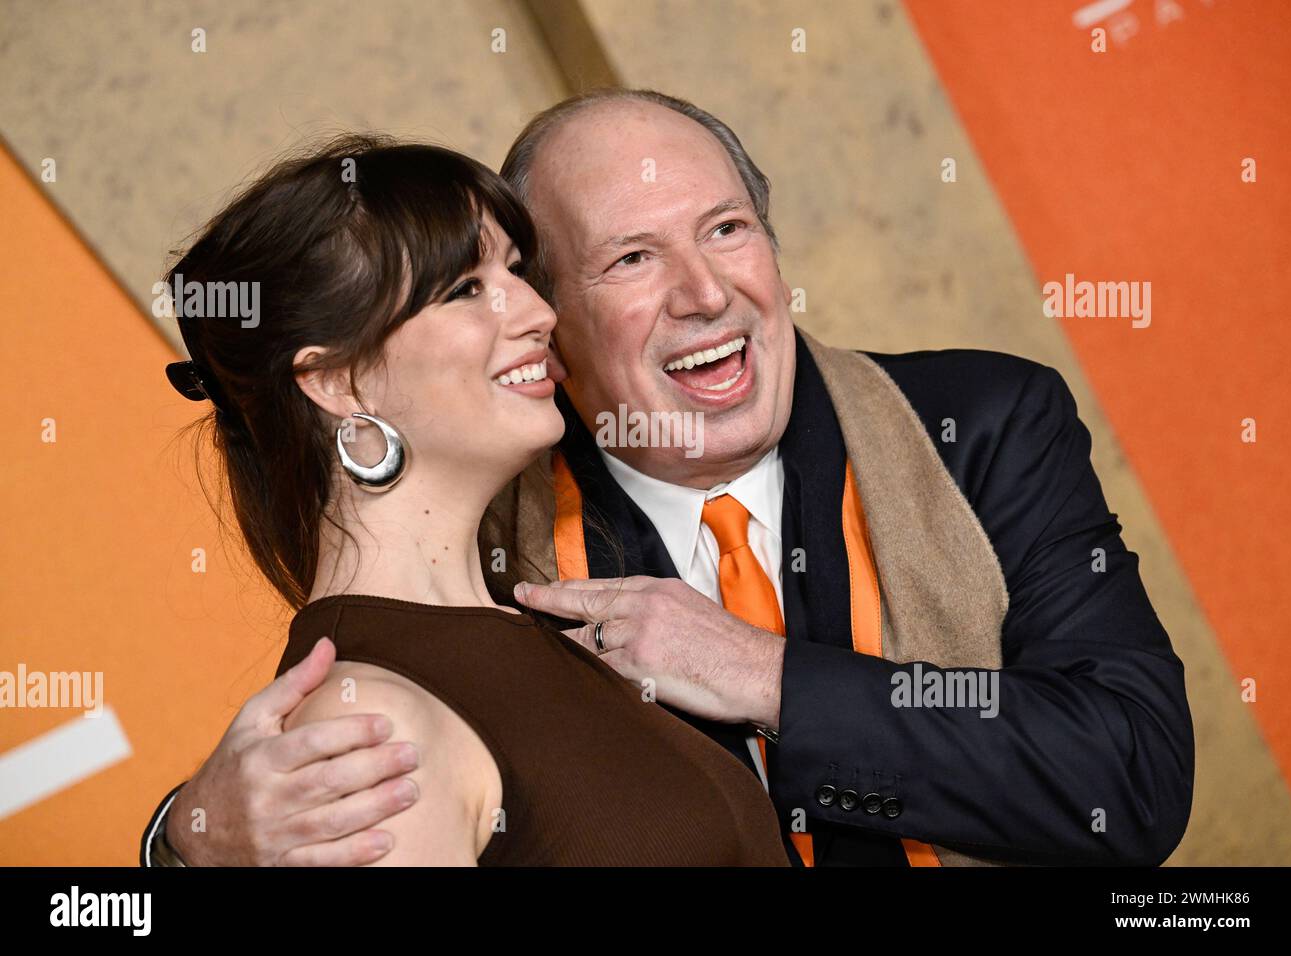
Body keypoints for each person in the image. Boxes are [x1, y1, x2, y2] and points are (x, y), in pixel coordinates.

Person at [143, 90, 1194, 868]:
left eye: (727, 229)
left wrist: (766, 674)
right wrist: (184, 836)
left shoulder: (981, 426)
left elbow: (1129, 773)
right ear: (567, 316)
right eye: (630, 260)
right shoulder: (489, 539)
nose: (706, 293)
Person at [147, 132, 790, 866]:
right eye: (465, 290)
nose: (537, 312)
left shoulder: (539, 625)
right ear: (339, 383)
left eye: (515, 272)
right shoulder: (369, 734)